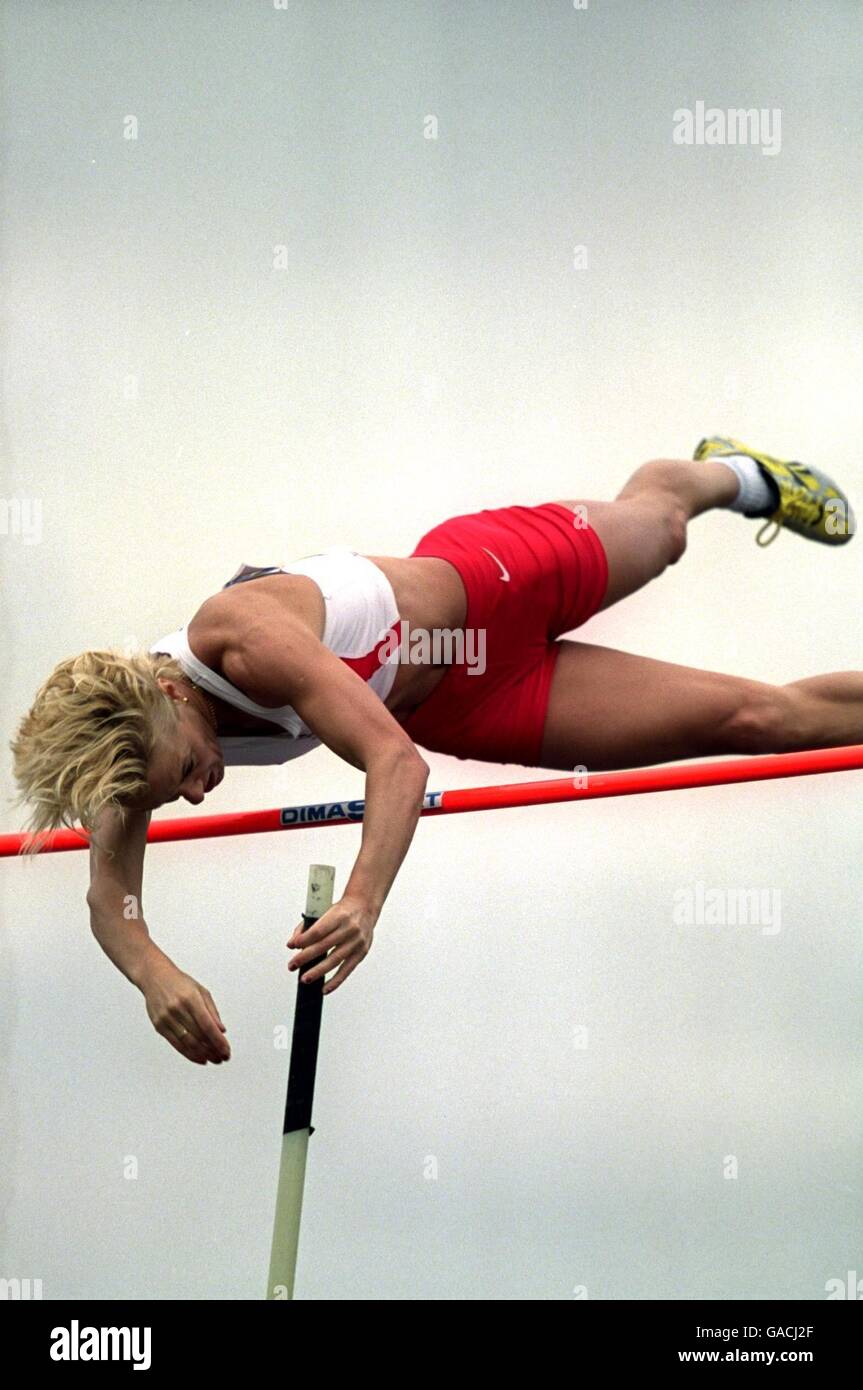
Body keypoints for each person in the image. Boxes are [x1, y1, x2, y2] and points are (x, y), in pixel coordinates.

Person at [9, 436, 857, 1066]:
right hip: (472, 696)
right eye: (173, 795)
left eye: (185, 769)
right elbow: (108, 902)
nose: (193, 794)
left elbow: (394, 765)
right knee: (751, 724)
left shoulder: (241, 638)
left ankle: (720, 474)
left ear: (165, 692)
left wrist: (364, 900)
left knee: (663, 527)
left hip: (493, 583)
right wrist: (156, 976)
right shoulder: (128, 762)